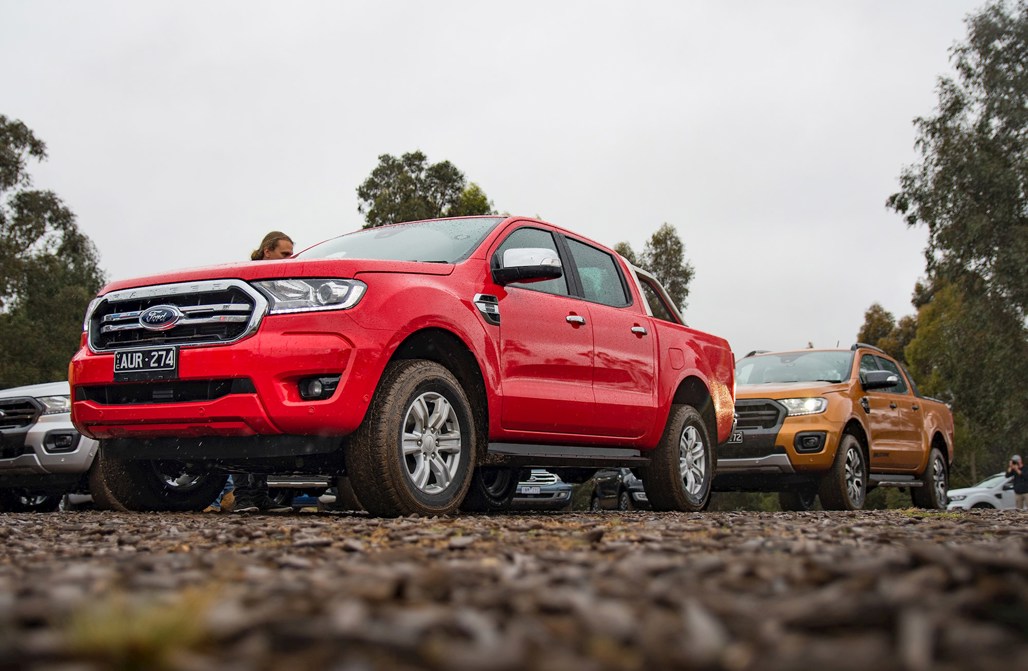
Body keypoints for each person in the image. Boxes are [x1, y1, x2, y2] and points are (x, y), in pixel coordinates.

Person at [229, 231, 297, 513]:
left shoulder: (282, 282)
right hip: (244, 358)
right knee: (242, 433)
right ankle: (243, 496)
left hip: (269, 357)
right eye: (285, 254)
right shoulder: (248, 278)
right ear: (267, 251)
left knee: (262, 434)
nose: (290, 259)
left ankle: (260, 495)